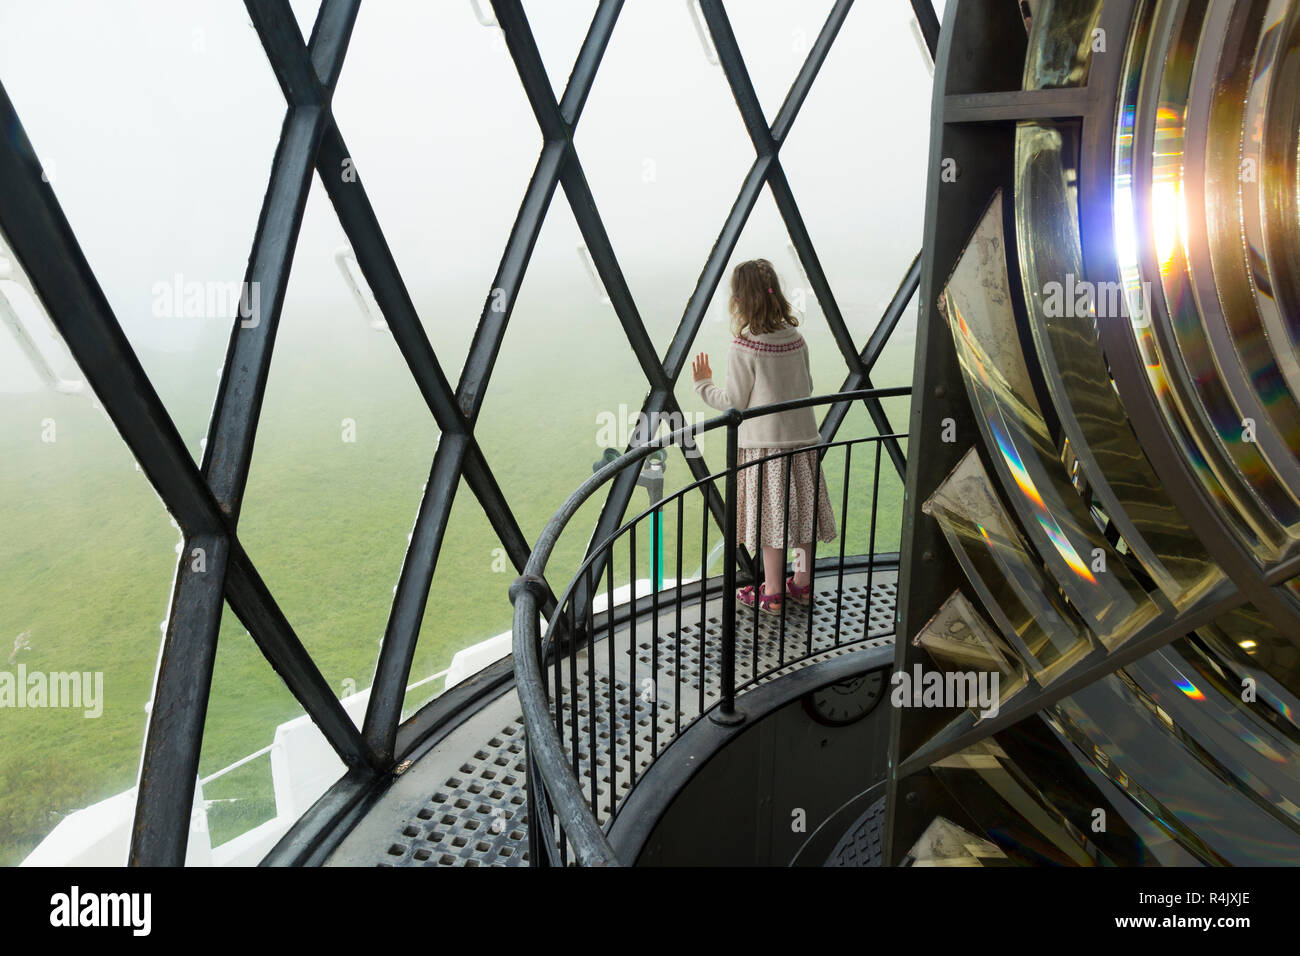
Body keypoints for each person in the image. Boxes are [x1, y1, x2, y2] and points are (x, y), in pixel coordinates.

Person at [691, 258, 837, 616]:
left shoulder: (745, 346)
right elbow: (808, 386)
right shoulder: (795, 338)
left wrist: (703, 385)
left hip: (765, 450)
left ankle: (771, 592)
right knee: (803, 522)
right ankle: (801, 584)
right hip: (803, 444)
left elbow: (734, 403)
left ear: (741, 299)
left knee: (773, 525)